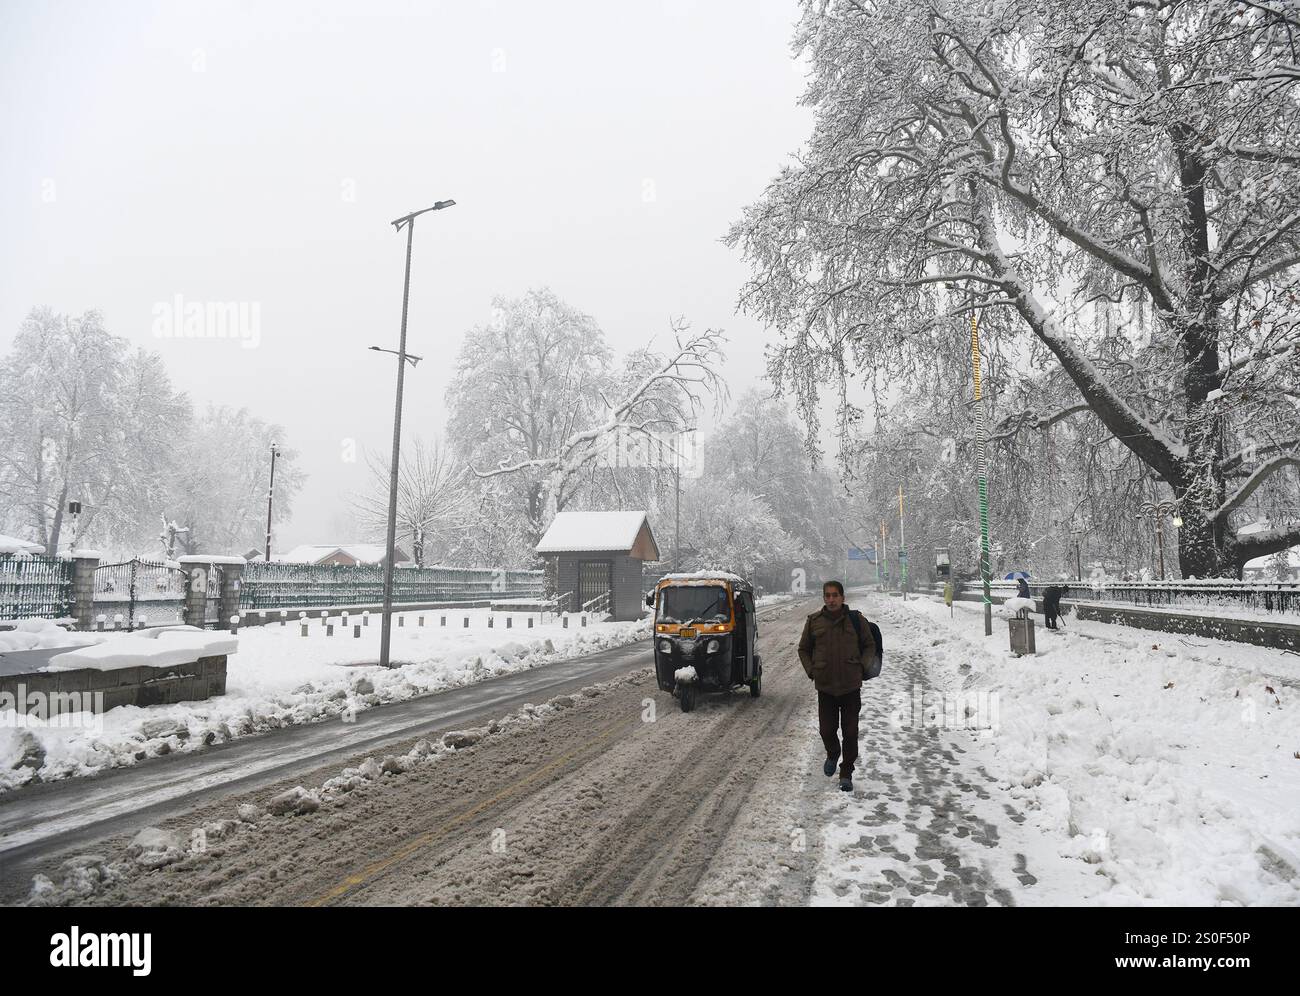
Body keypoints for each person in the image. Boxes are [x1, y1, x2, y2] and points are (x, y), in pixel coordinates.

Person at [798, 580, 877, 792]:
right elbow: (803, 649)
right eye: (828, 595)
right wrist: (812, 670)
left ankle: (846, 772)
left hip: (851, 686)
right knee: (826, 730)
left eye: (835, 595)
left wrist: (862, 666)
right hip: (825, 688)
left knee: (850, 732)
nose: (831, 599)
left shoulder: (856, 620)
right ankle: (833, 753)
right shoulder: (814, 621)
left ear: (843, 597)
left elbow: (870, 645)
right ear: (824, 598)